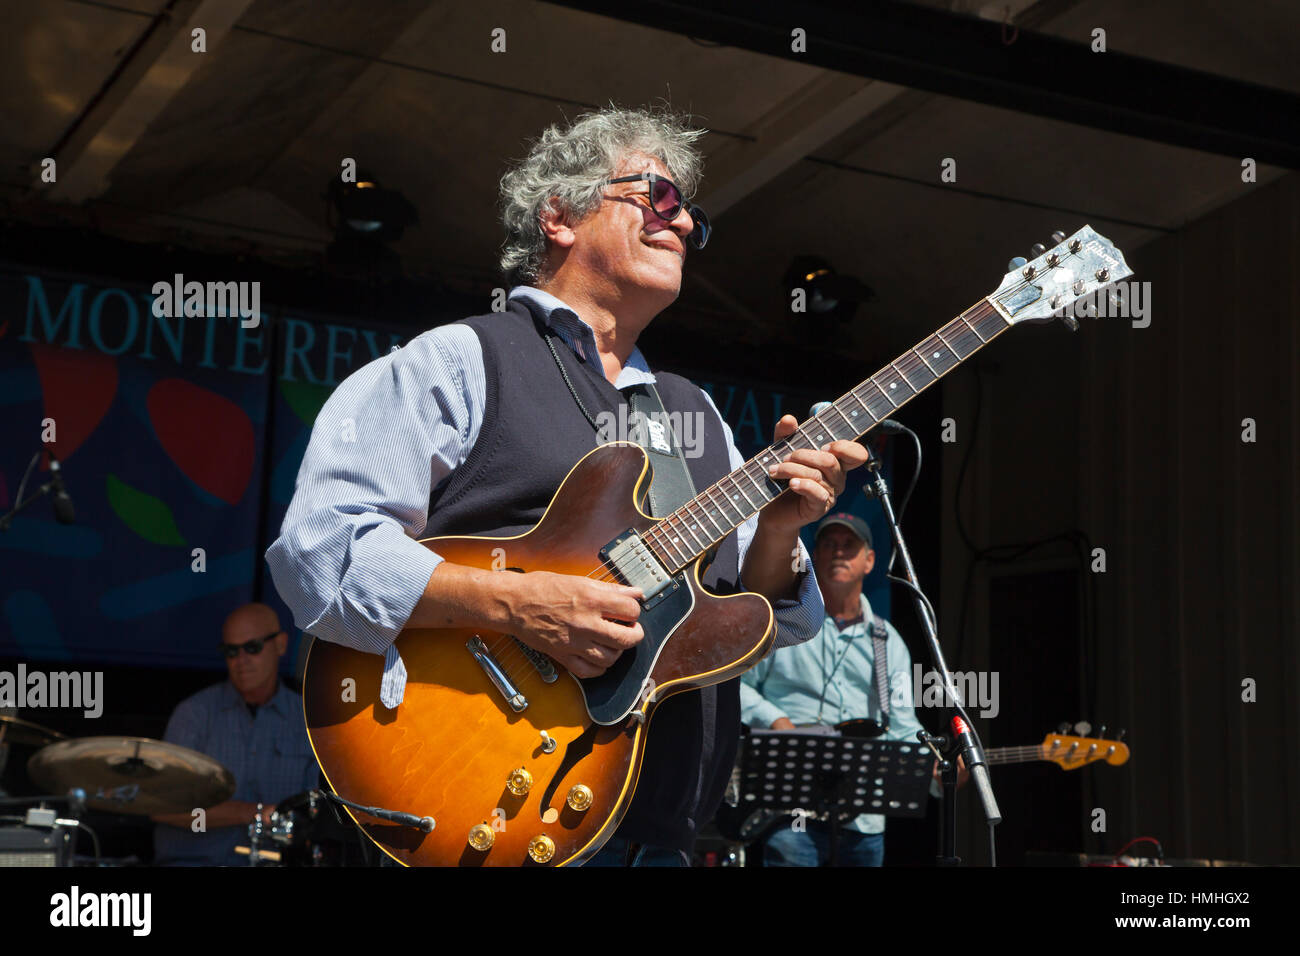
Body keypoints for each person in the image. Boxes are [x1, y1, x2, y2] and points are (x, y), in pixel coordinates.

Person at [265, 105, 869, 866]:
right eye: (659, 198)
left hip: (663, 835)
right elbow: (323, 547)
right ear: (559, 215)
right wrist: (518, 605)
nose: (683, 226)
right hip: (478, 804)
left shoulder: (698, 413)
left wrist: (781, 532)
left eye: (692, 218)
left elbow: (765, 621)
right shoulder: (458, 360)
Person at [740, 511, 958, 866]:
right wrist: (776, 719)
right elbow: (738, 687)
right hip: (789, 813)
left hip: (863, 819)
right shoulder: (784, 622)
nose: (838, 552)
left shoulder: (888, 642)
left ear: (870, 561)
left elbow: (902, 724)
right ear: (815, 554)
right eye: (828, 544)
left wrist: (937, 771)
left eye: (849, 546)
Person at [152, 602, 319, 865]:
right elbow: (160, 807)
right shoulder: (194, 713)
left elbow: (317, 813)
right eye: (231, 651)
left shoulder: (308, 719)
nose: (241, 660)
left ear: (281, 644)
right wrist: (252, 812)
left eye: (252, 647)